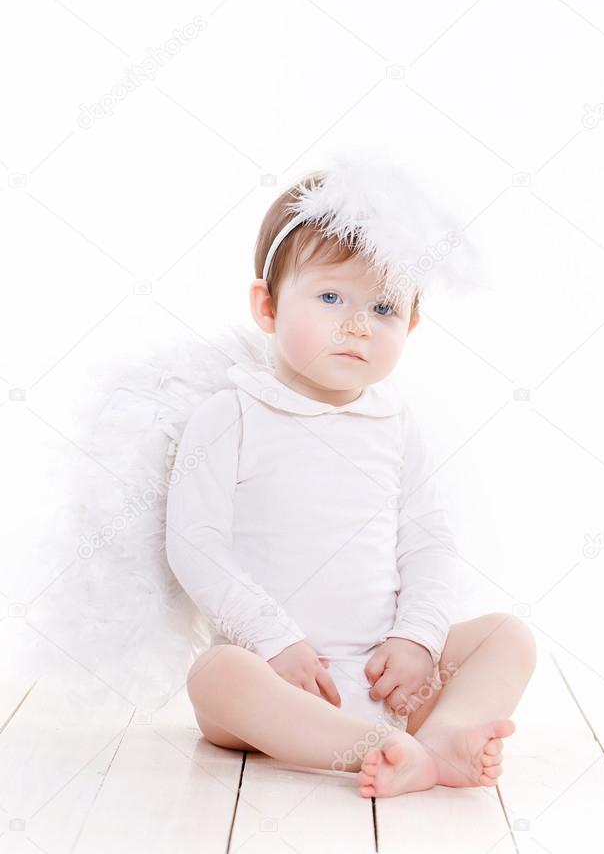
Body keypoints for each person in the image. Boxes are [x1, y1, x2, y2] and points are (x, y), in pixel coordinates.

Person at [164, 155, 537, 799]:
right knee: (213, 675)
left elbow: (429, 544)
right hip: (274, 681)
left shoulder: (397, 426)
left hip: (384, 676)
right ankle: (379, 749)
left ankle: (440, 737)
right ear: (268, 306)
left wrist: (417, 640)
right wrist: (274, 641)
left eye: (385, 306)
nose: (358, 323)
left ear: (411, 323)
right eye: (331, 296)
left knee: (508, 637)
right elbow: (194, 545)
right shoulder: (232, 415)